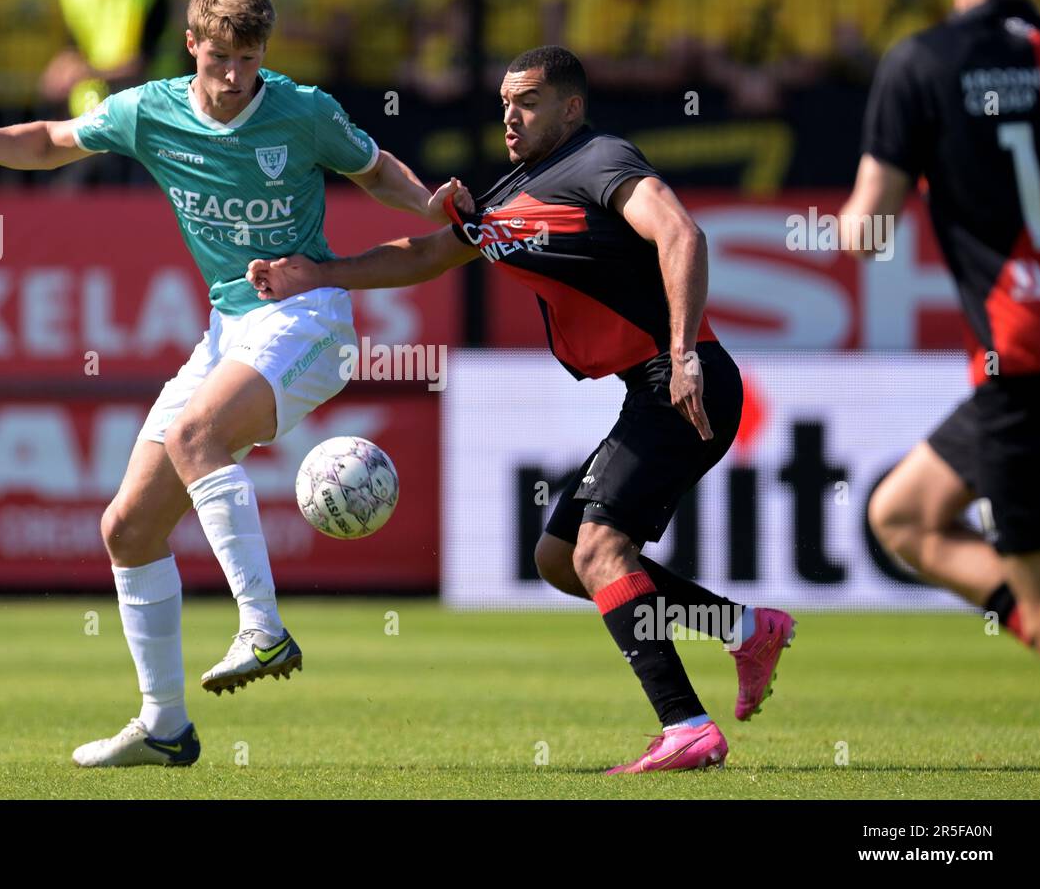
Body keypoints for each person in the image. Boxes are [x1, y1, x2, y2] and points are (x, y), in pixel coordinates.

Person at [0, 0, 466, 767]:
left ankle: (263, 627)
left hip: (307, 320)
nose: (232, 76)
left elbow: (373, 166)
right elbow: (53, 139)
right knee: (127, 526)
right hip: (229, 329)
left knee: (195, 433)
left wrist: (427, 204)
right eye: (219, 57)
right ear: (192, 45)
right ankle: (165, 725)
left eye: (247, 59)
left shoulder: (301, 110)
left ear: (263, 54)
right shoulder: (150, 110)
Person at [248, 46, 795, 774]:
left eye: (528, 101)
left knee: (601, 549)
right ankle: (743, 628)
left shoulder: (602, 160)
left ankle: (687, 727)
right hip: (647, 386)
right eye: (505, 101)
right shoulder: (509, 192)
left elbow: (680, 233)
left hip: (682, 378)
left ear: (570, 107)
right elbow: (422, 256)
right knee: (562, 559)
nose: (510, 114)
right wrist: (318, 274)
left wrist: (685, 353)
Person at [840, 0, 1040, 653]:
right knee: (901, 513)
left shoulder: (920, 62)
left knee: (1039, 608)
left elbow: (867, 230)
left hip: (1021, 357)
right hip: (1014, 372)